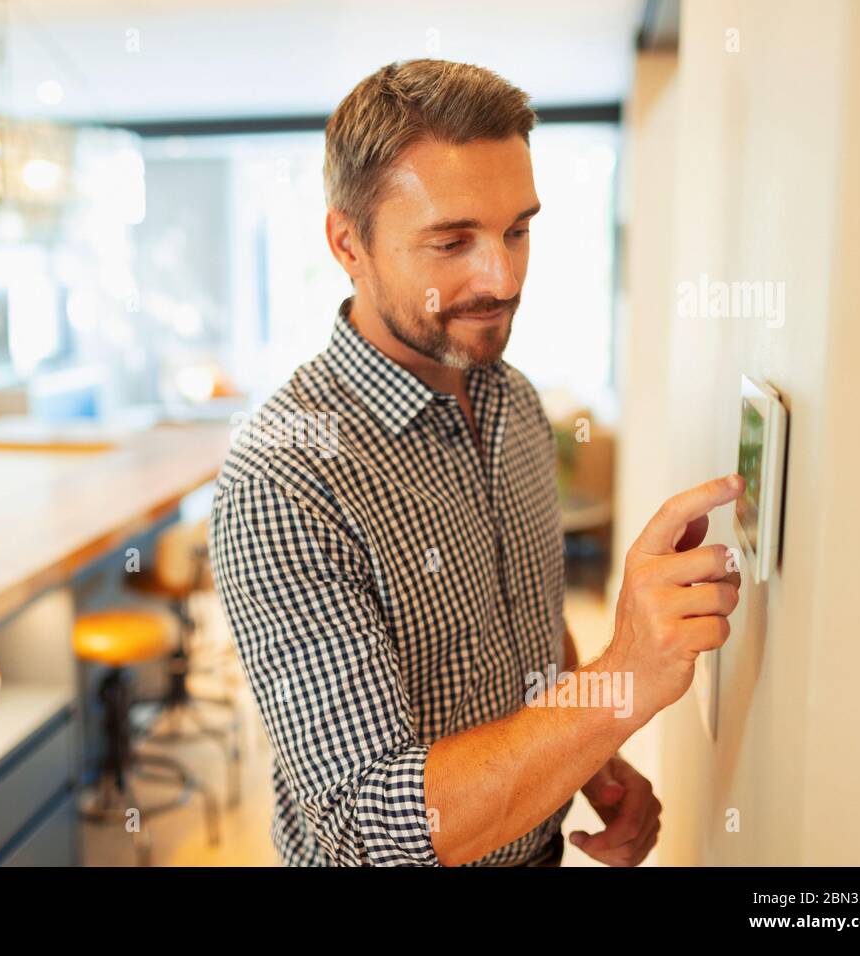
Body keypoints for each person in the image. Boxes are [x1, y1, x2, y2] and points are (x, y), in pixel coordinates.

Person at [208, 58, 743, 867]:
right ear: (349, 243)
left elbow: (525, 623)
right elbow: (365, 828)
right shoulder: (284, 479)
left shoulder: (511, 400)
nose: (502, 278)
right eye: (452, 241)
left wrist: (591, 761)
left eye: (518, 230)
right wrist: (625, 678)